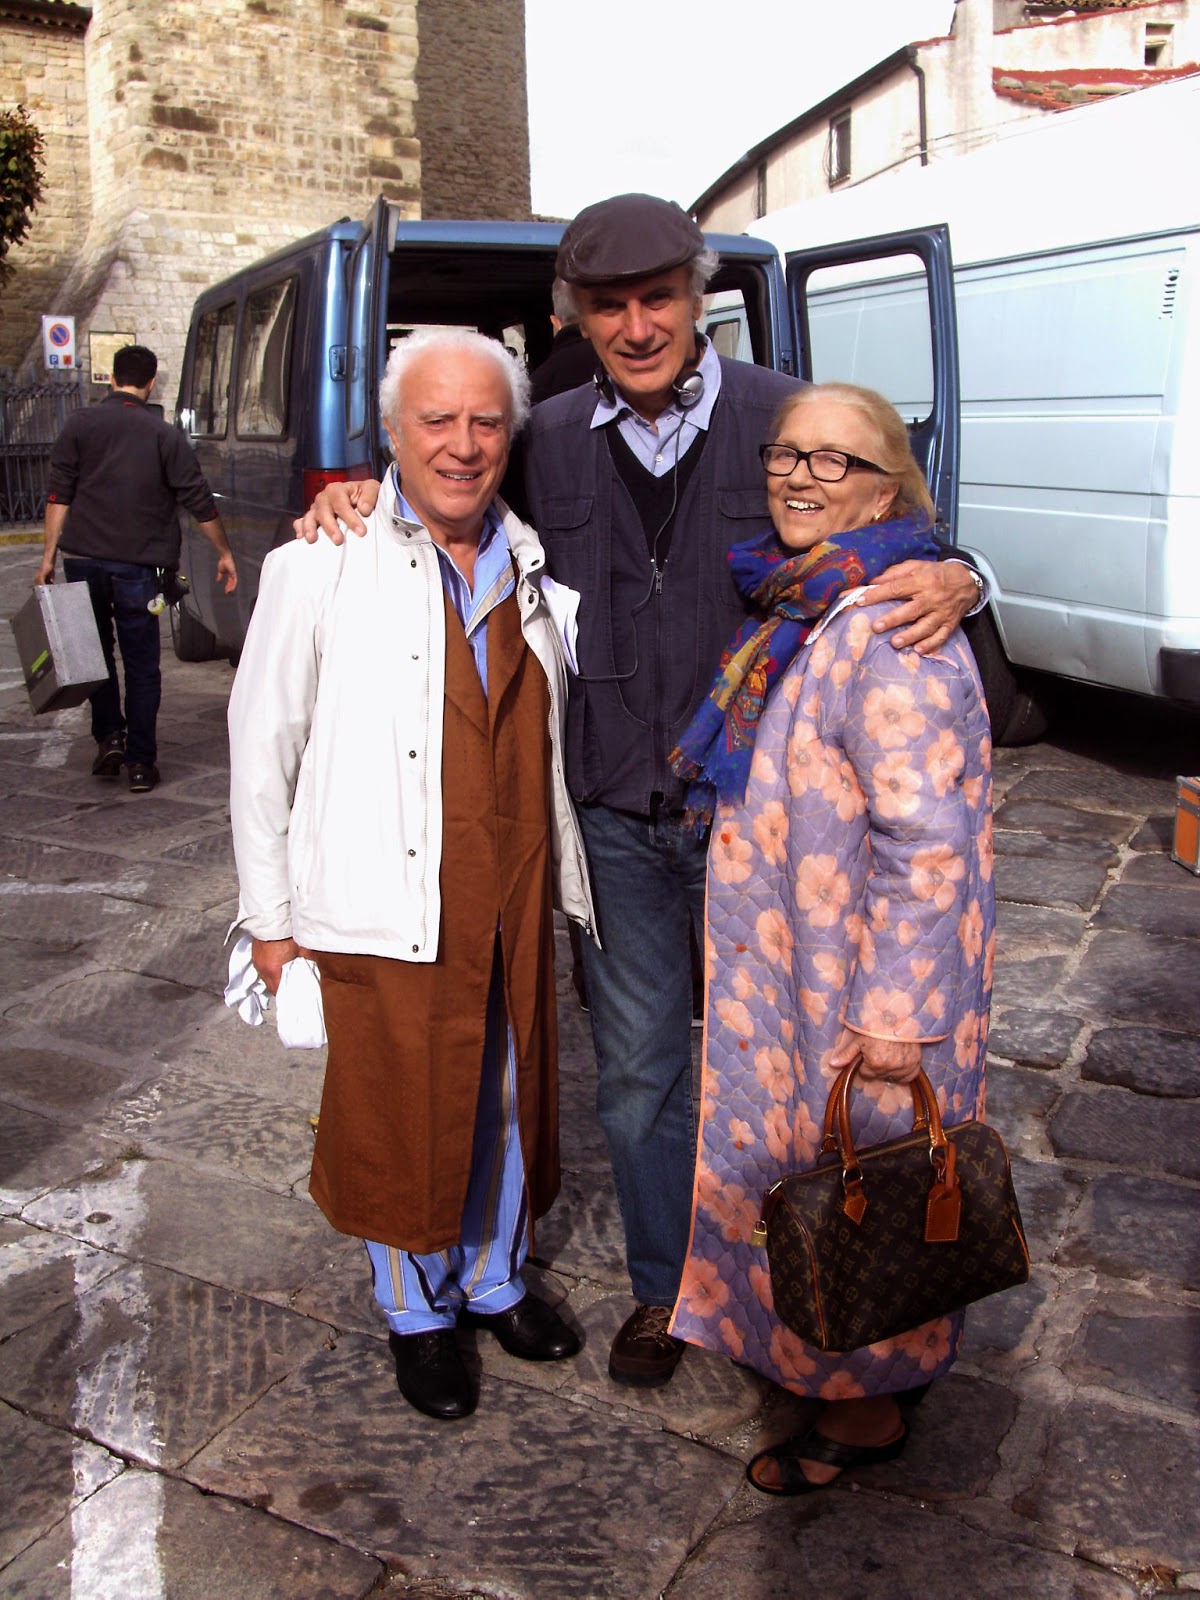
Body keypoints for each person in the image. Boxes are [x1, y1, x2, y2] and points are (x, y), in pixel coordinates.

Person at [296, 194, 982, 1390]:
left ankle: (795, 1296)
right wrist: (350, 492)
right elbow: (443, 489)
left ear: (696, 295)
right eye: (607, 305)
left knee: (793, 1071)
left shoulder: (783, 417)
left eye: (658, 295)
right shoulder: (547, 434)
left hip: (763, 829)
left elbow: (896, 524)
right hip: (613, 815)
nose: (637, 324)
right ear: (576, 317)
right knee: (638, 1078)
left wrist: (964, 573)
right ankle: (671, 1290)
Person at [228, 328, 595, 1422]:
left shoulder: (529, 562)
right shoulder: (318, 564)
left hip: (510, 878)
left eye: (485, 422)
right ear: (391, 431)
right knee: (400, 1097)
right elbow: (262, 747)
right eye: (436, 420)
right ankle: (416, 1308)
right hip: (384, 888)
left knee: (508, 1085)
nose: (462, 444)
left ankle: (494, 1279)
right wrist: (270, 921)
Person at [667, 381, 994, 1495]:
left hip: (859, 984)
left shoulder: (893, 629)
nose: (802, 476)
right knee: (820, 1179)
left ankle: (869, 1409)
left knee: (867, 1182)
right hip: (797, 967)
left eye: (836, 461)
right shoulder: (806, 602)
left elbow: (930, 843)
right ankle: (825, 1361)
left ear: (888, 490)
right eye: (788, 454)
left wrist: (895, 1018)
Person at [36, 343, 236, 793]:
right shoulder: (164, 435)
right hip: (140, 567)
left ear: (111, 378)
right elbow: (197, 498)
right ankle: (142, 762)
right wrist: (223, 552)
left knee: (95, 654)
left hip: (83, 561)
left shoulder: (79, 425)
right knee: (142, 663)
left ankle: (110, 737)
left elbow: (58, 494)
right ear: (150, 382)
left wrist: (48, 557)